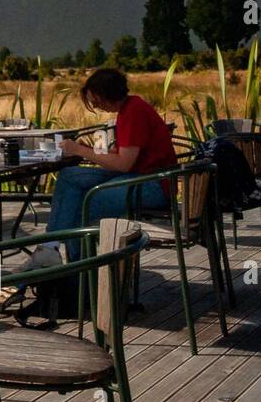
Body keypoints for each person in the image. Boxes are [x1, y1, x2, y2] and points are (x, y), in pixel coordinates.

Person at [30, 67, 177, 267]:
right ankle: (50, 246)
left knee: (82, 204)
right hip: (140, 176)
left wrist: (81, 152)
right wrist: (88, 149)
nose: (96, 106)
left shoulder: (135, 112)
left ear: (105, 94)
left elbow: (124, 164)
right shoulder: (128, 110)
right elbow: (120, 156)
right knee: (69, 174)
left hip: (153, 185)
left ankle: (77, 276)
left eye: (95, 100)